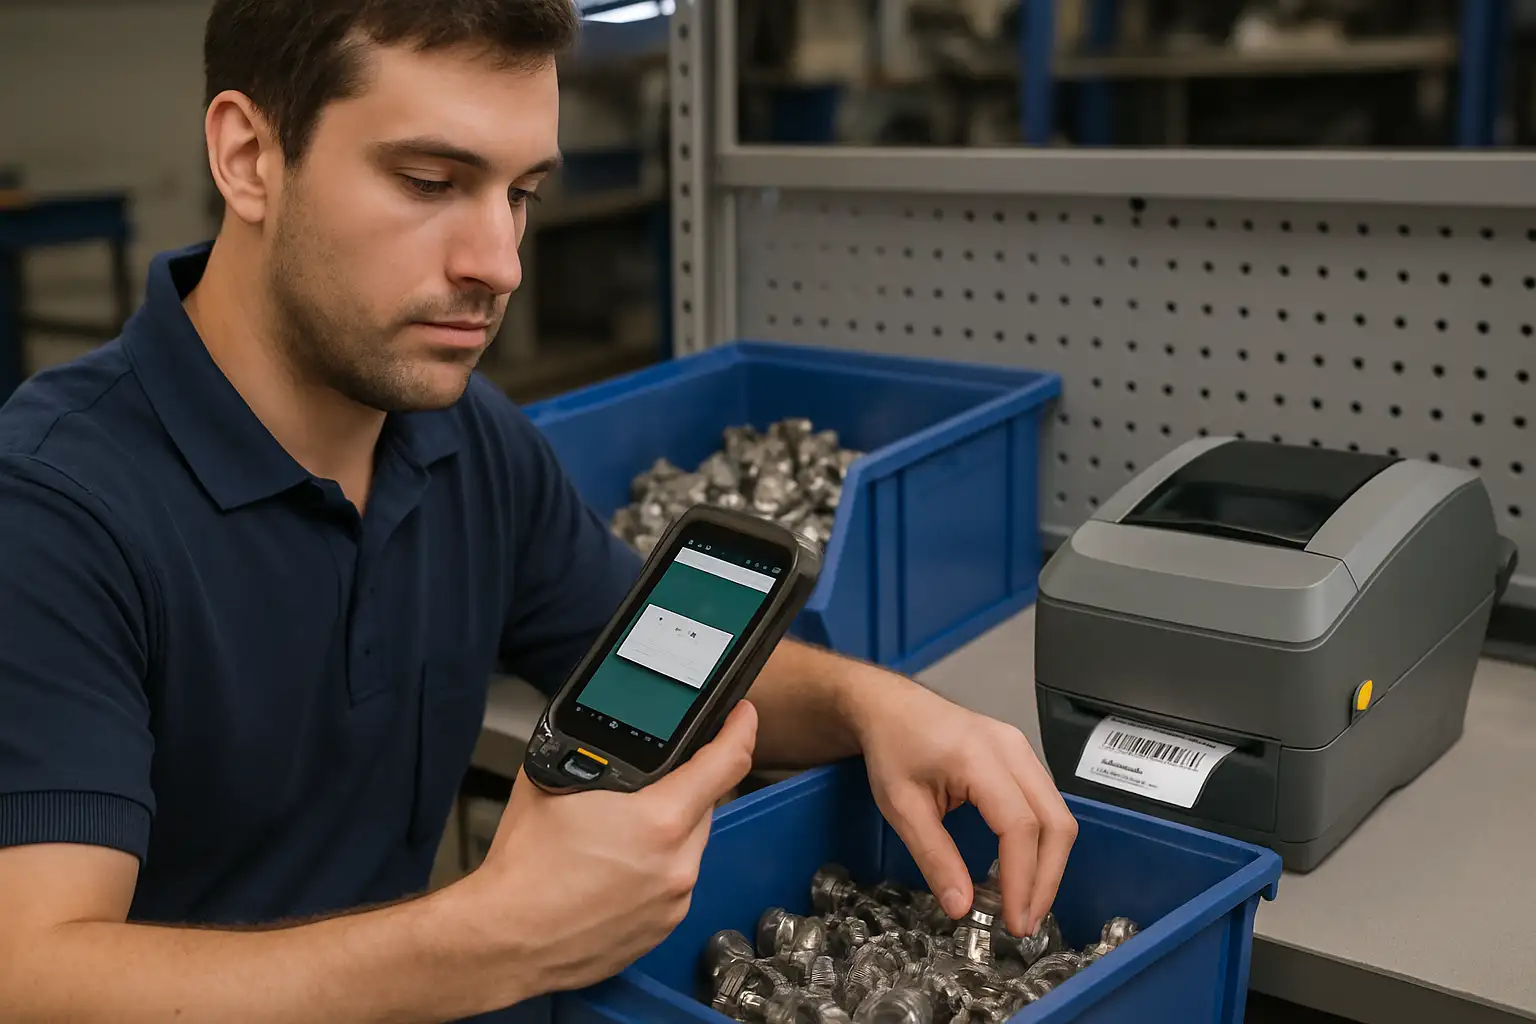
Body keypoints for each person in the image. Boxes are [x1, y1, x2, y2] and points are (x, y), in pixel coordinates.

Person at [0, 1, 1077, 1020]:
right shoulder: (54, 507)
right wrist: (489, 936)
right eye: (430, 180)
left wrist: (876, 709)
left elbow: (657, 653)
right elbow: (29, 974)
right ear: (248, 157)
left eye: (521, 194)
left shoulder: (466, 443)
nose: (499, 264)